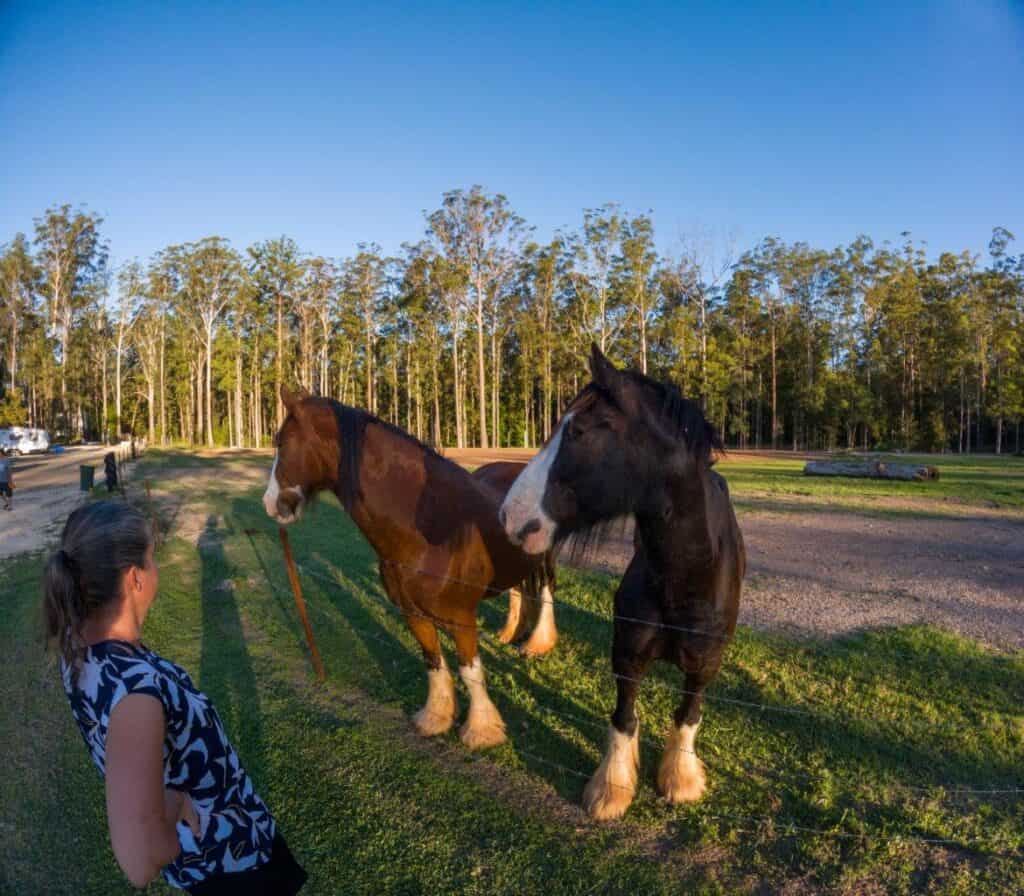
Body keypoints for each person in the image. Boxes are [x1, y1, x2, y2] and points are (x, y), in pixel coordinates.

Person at [43, 501, 307, 894]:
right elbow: (139, 860)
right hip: (230, 863)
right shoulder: (135, 695)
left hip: (219, 849)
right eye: (152, 559)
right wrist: (175, 803)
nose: (156, 569)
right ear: (134, 578)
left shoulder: (81, 643)